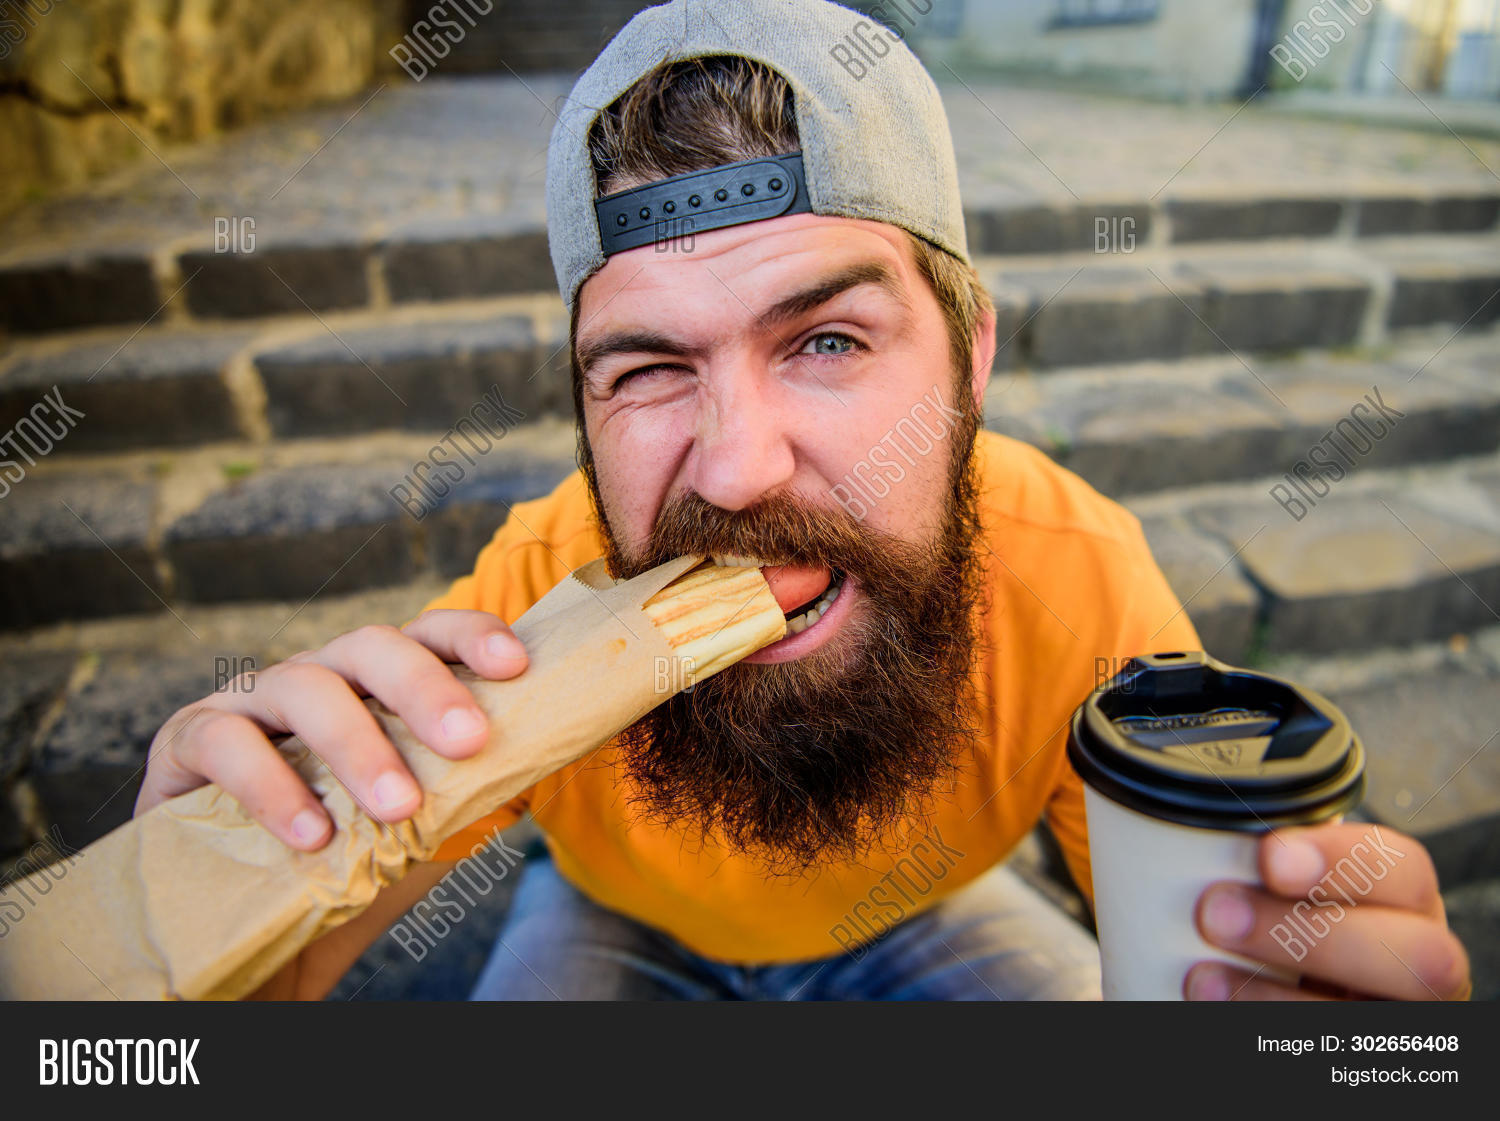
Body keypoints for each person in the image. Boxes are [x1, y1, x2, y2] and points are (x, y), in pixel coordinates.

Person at [136, 0, 1470, 1001]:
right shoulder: (537, 579)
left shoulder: (1079, 571)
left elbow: (1192, 938)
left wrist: (1303, 994)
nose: (732, 469)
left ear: (971, 360)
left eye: (826, 341)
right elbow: (285, 976)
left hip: (930, 917)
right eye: (650, 368)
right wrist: (188, 923)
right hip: (612, 918)